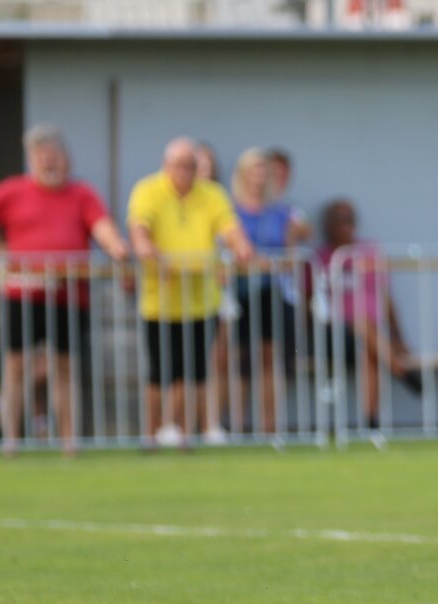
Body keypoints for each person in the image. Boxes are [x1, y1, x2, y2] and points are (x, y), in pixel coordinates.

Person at [0, 126, 129, 454]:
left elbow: (102, 226)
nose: (49, 163)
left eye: (54, 157)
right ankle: (10, 439)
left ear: (66, 160)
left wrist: (116, 247)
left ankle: (69, 440)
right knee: (16, 365)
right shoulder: (14, 190)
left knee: (65, 366)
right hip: (22, 294)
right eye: (42, 157)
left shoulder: (82, 193)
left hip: (68, 294)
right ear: (32, 160)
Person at [128, 137, 252, 447]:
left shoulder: (212, 194)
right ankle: (151, 435)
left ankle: (185, 435)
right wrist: (148, 251)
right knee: (159, 373)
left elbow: (229, 227)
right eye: (178, 165)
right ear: (166, 165)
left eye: (190, 166)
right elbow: (140, 229)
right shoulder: (147, 190)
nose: (184, 171)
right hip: (161, 301)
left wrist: (242, 248)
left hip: (201, 300)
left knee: (195, 371)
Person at [315, 197, 420, 430]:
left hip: (371, 334)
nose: (345, 225)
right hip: (335, 332)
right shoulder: (321, 258)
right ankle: (402, 372)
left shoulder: (370, 251)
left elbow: (385, 296)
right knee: (360, 324)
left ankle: (371, 421)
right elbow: (308, 299)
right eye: (338, 220)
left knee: (368, 350)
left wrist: (398, 337)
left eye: (349, 220)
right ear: (327, 225)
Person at [228, 147, 310, 435]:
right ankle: (238, 428)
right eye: (254, 171)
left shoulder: (282, 212)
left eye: (264, 171)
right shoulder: (230, 211)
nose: (260, 177)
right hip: (240, 294)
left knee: (271, 361)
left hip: (274, 292)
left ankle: (270, 428)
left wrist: (275, 262)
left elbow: (292, 251)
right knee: (239, 361)